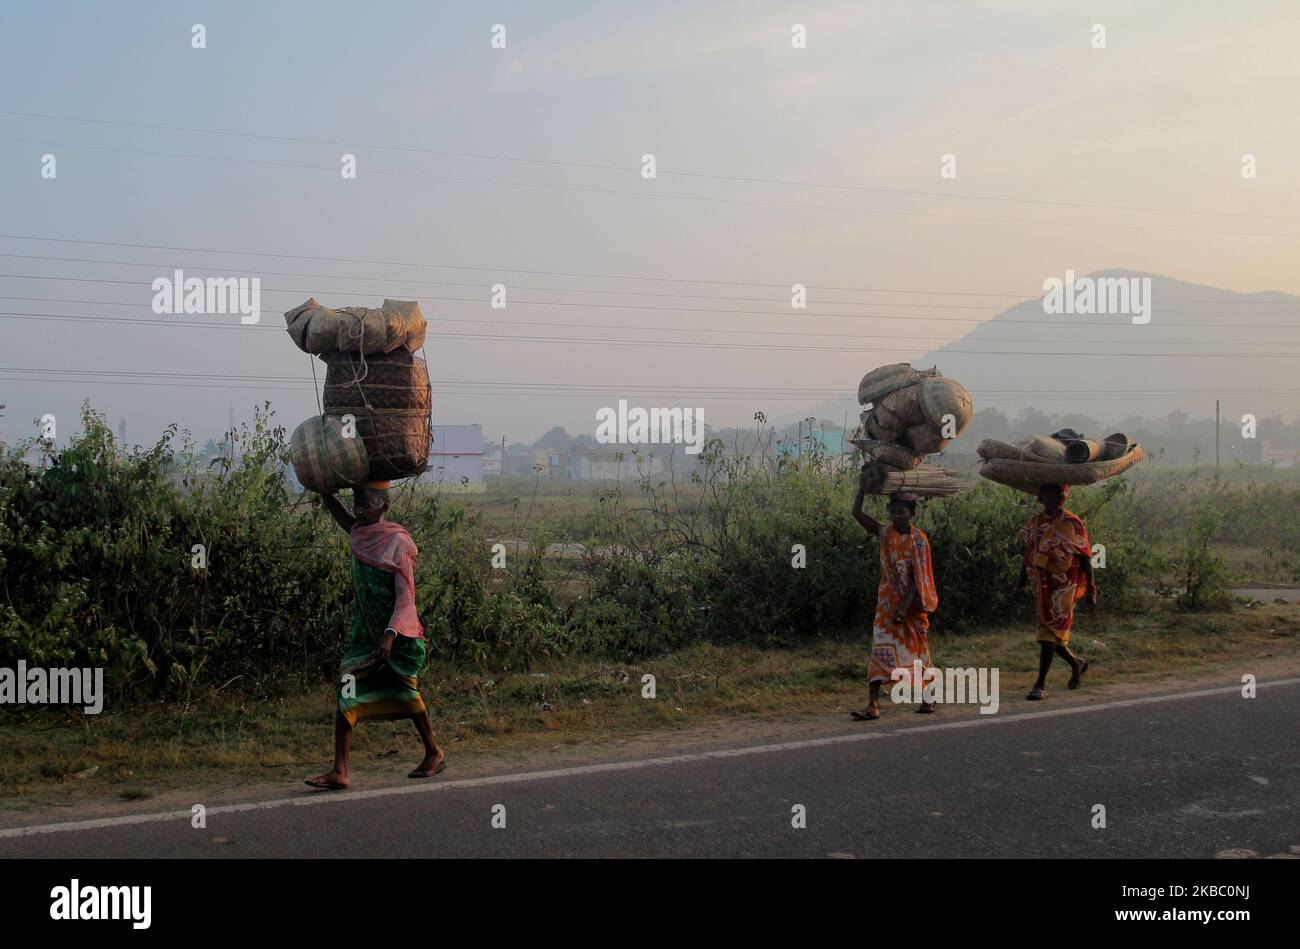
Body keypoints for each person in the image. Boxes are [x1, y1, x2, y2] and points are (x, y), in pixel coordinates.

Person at [306, 484, 445, 789]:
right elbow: (343, 517)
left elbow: (406, 599)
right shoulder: (361, 534)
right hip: (366, 635)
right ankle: (340, 770)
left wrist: (389, 636)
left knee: (407, 693)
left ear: (383, 506)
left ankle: (434, 751)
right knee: (348, 688)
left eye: (366, 503)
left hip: (397, 636)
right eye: (356, 503)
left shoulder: (398, 543)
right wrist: (326, 493)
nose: (358, 508)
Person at [850, 475, 940, 720]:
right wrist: (862, 489)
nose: (896, 516)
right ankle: (873, 704)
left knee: (919, 651)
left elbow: (917, 579)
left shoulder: (919, 541)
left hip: (912, 606)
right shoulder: (884, 533)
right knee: (880, 648)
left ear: (912, 512)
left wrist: (904, 608)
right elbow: (856, 513)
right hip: (887, 603)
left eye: (901, 511)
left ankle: (929, 697)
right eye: (893, 511)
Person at [1015, 483, 1096, 700]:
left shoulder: (1071, 522)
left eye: (1055, 494)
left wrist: (1092, 590)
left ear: (1062, 496)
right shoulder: (1035, 522)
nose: (1051, 498)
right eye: (1046, 493)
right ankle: (1076, 663)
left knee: (1047, 636)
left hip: (1064, 587)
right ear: (1041, 496)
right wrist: (1019, 583)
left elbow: (1085, 556)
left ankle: (1040, 684)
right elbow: (1028, 554)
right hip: (1041, 584)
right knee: (1051, 637)